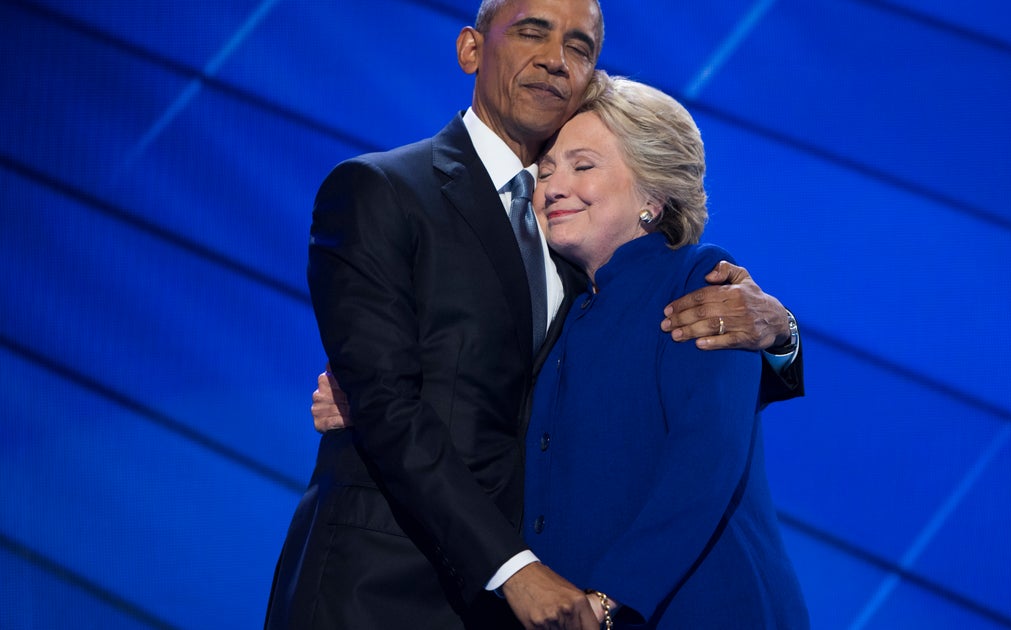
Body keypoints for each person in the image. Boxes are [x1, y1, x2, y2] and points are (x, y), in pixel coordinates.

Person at [266, 1, 802, 629]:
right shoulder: (378, 191)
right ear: (471, 48)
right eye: (531, 31)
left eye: (580, 47)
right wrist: (365, 398)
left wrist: (782, 333)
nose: (555, 58)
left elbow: (690, 413)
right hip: (386, 589)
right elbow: (389, 399)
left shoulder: (592, 255)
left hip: (555, 604)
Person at [520, 73, 808, 628]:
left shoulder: (701, 280)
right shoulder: (561, 306)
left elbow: (705, 459)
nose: (553, 186)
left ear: (652, 197)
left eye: (583, 166)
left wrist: (607, 598)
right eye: (546, 169)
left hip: (702, 607)